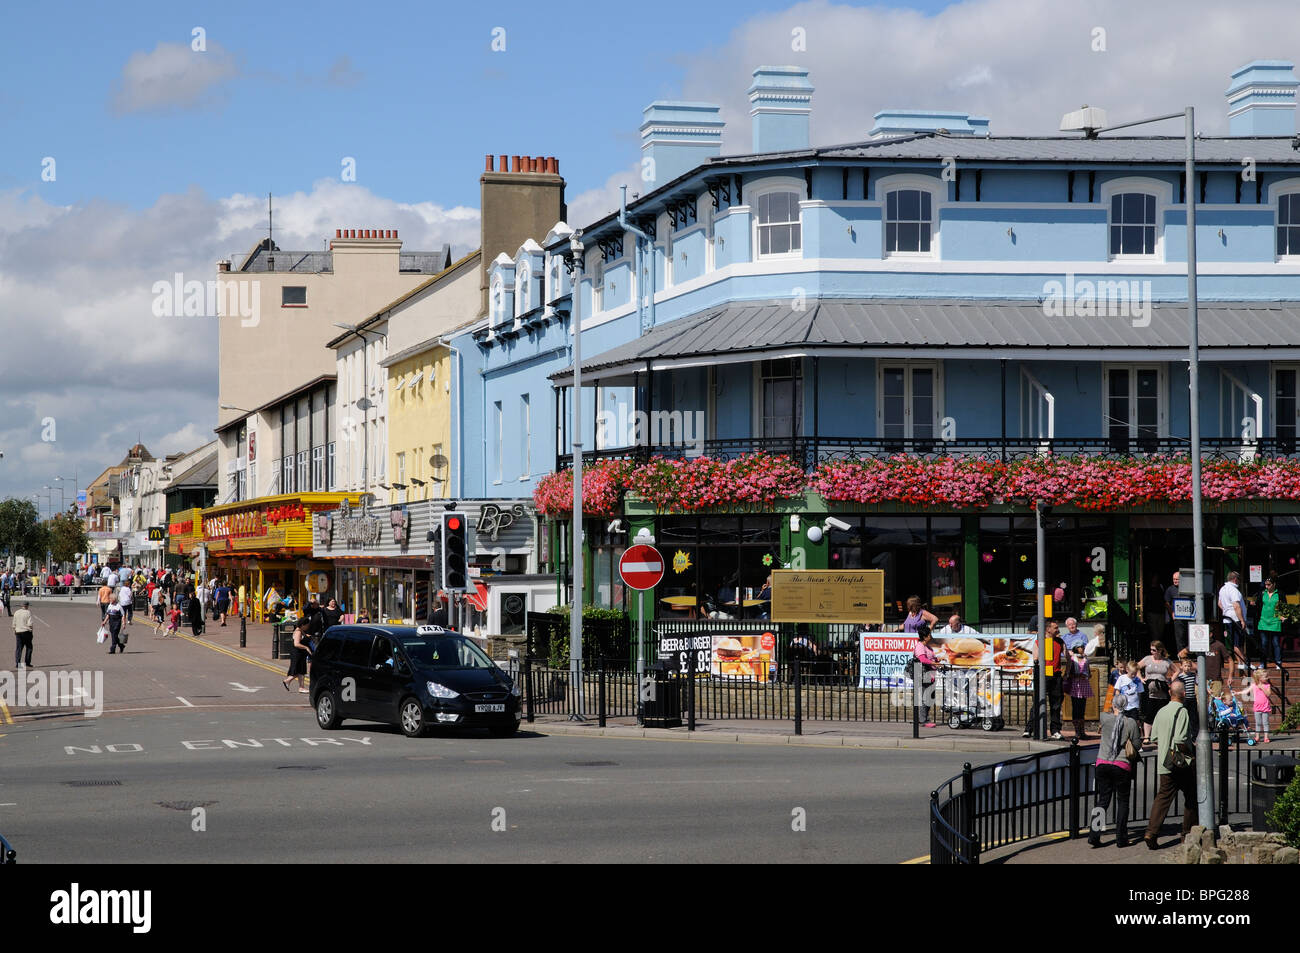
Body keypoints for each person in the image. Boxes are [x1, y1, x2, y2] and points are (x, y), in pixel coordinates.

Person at [1144, 680, 1196, 850]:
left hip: (1164, 762)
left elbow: (1155, 737)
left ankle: (1151, 832)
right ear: (1183, 694)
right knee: (1191, 797)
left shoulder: (1161, 711)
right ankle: (1186, 834)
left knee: (1163, 798)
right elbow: (1181, 740)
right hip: (1181, 762)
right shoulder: (1182, 711)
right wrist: (1190, 755)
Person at [1090, 691, 1143, 848]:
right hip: (1121, 765)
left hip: (1103, 764)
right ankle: (1121, 838)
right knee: (1123, 802)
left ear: (1113, 705)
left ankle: (1094, 835)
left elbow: (1106, 711)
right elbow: (1137, 745)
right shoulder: (1131, 723)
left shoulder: (1104, 718)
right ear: (1126, 706)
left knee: (1103, 800)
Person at [1137, 640, 1173, 746]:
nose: (1152, 652)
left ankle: (1158, 736)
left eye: (1154, 650)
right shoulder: (1147, 659)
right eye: (1151, 649)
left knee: (1161, 714)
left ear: (1160, 650)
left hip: (1162, 691)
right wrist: (1141, 678)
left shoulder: (1166, 661)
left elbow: (1177, 670)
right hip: (1149, 690)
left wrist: (1170, 680)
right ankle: (1147, 737)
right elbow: (1136, 667)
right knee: (1149, 713)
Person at [1061, 641, 1094, 739]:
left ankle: (1082, 731)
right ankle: (1077, 731)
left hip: (1084, 685)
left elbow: (1088, 672)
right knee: (1076, 708)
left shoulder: (1085, 659)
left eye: (1083, 646)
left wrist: (1087, 675)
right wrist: (1078, 675)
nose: (1082, 648)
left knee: (1082, 709)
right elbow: (1067, 674)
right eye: (1080, 647)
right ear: (1076, 648)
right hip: (1075, 686)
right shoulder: (1072, 660)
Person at [1217, 570, 1249, 664]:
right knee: (1237, 643)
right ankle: (1243, 663)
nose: (1239, 581)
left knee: (1236, 643)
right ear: (1235, 579)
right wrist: (1242, 620)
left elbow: (1219, 603)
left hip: (1228, 619)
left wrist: (1226, 610)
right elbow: (1236, 605)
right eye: (1239, 579)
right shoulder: (1233, 590)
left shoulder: (1222, 589)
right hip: (1235, 619)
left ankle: (1241, 663)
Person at [912, 624, 938, 729]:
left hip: (930, 674)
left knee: (930, 697)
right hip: (923, 673)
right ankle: (923, 720)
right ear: (925, 636)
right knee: (925, 697)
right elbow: (922, 659)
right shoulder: (920, 646)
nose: (930, 636)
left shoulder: (927, 646)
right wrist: (934, 663)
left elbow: (931, 657)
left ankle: (923, 718)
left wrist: (937, 661)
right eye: (929, 634)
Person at [1245, 670, 1278, 745]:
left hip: (1265, 707)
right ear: (1260, 678)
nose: (1267, 678)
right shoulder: (1255, 685)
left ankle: (1266, 737)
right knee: (1258, 723)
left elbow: (1268, 694)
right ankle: (1257, 737)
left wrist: (1262, 688)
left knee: (1265, 723)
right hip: (1257, 707)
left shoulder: (1267, 685)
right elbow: (1248, 690)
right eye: (1265, 676)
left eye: (1267, 676)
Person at [281, 616, 313, 694]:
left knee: (301, 670)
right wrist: (306, 648)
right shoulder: (298, 632)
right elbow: (296, 644)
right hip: (297, 653)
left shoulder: (301, 631)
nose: (308, 626)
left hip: (301, 654)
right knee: (298, 671)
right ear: (303, 625)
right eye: (307, 625)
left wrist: (306, 636)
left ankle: (301, 687)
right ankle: (288, 681)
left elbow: (302, 639)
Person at [1257, 576, 1283, 669]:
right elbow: (1258, 605)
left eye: (1269, 585)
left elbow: (1284, 606)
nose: (1267, 586)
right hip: (1264, 621)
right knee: (1264, 643)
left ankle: (1278, 662)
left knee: (1275, 643)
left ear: (1274, 584)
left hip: (1275, 621)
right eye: (1266, 585)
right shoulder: (1262, 593)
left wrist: (1283, 616)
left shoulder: (1279, 593)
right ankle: (1262, 663)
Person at [1175, 649, 1199, 738]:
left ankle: (1194, 734)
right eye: (1185, 666)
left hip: (1192, 698)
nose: (1187, 668)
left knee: (1193, 717)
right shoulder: (1180, 677)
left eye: (1189, 666)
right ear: (1181, 667)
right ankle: (1183, 732)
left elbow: (1198, 683)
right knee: (1184, 716)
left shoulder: (1193, 675)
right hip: (1184, 699)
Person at [1206, 625, 1231, 698]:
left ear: (1210, 634)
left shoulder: (1219, 645)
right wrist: (1192, 664)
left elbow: (1230, 660)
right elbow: (1182, 653)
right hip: (1202, 679)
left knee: (1215, 703)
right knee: (1200, 703)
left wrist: (1230, 676)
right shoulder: (1198, 644)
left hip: (1216, 680)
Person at [1163, 571, 1186, 654]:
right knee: (1180, 637)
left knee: (1188, 636)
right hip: (1177, 617)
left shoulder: (1187, 588)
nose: (1175, 581)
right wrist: (1172, 613)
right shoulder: (1170, 589)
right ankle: (1181, 656)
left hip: (1189, 617)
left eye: (1177, 579)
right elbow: (1167, 603)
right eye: (1174, 579)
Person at [12, 601, 34, 668]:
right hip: (26, 631)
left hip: (18, 632)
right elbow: (30, 624)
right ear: (27, 606)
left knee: (19, 648)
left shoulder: (16, 612)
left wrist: (14, 630)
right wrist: (31, 631)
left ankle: (17, 663)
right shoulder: (28, 612)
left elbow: (13, 624)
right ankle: (27, 662)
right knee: (29, 647)